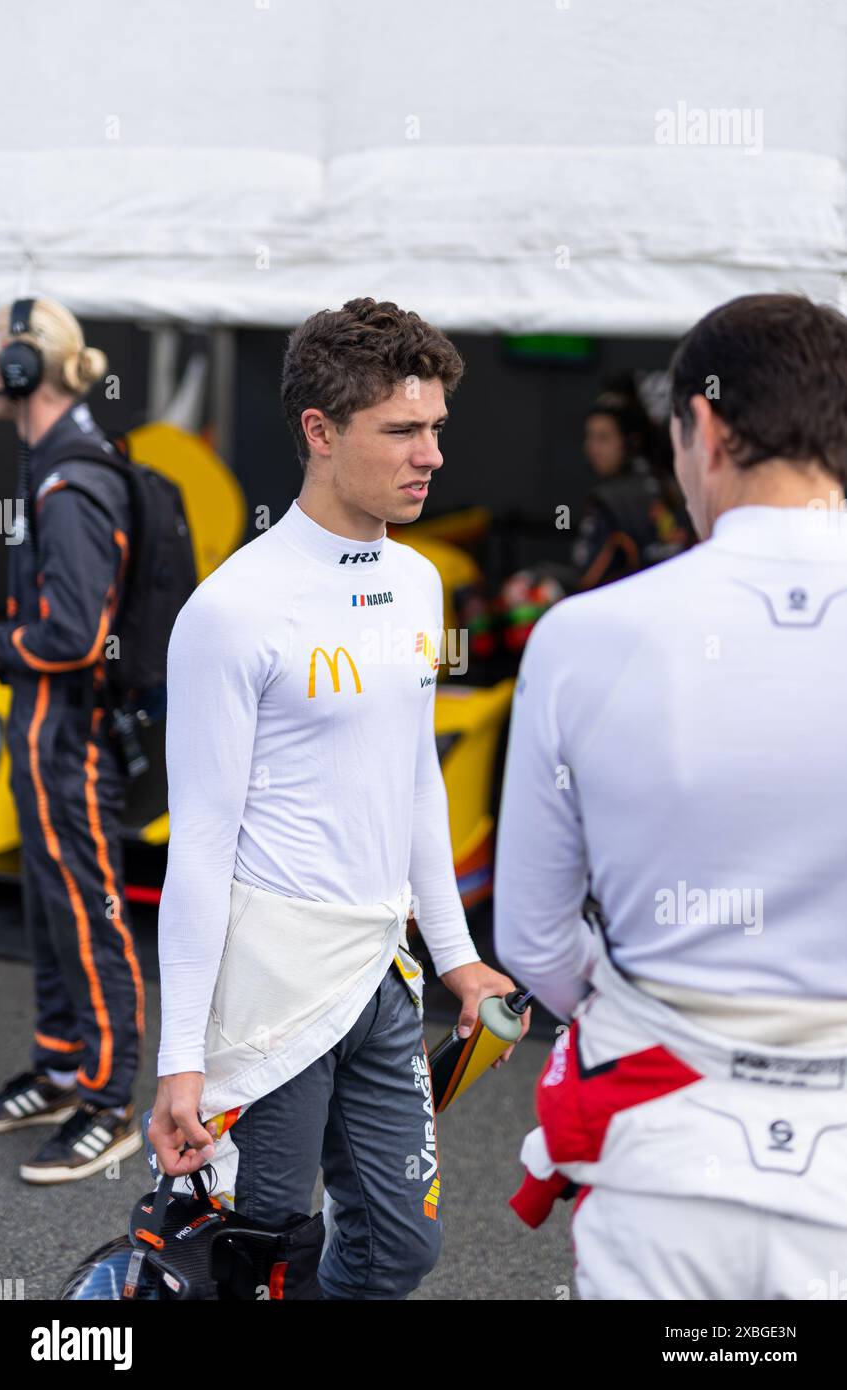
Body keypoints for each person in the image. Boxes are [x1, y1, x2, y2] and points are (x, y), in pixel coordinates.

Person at [148, 297, 530, 1300]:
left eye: (435, 427)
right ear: (319, 432)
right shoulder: (231, 610)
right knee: (252, 1247)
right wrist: (177, 1061)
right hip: (268, 984)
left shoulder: (413, 585)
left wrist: (456, 958)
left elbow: (412, 780)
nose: (431, 455)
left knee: (399, 1249)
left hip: (380, 970)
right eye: (401, 430)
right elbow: (199, 846)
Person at [494, 292, 847, 1300]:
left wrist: (646, 1004)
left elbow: (530, 936)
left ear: (702, 427)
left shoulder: (584, 636)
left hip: (660, 1154)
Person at [0, 298, 145, 1181]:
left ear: (20, 368)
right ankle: (58, 1065)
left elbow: (73, 634)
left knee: (88, 905)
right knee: (49, 900)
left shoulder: (69, 480)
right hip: (43, 725)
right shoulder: (52, 462)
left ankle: (111, 1099)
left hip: (68, 727)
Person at [571, 389, 691, 589]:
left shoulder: (607, 501)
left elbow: (585, 580)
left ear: (631, 441)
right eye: (590, 437)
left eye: (603, 439)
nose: (592, 448)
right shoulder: (676, 489)